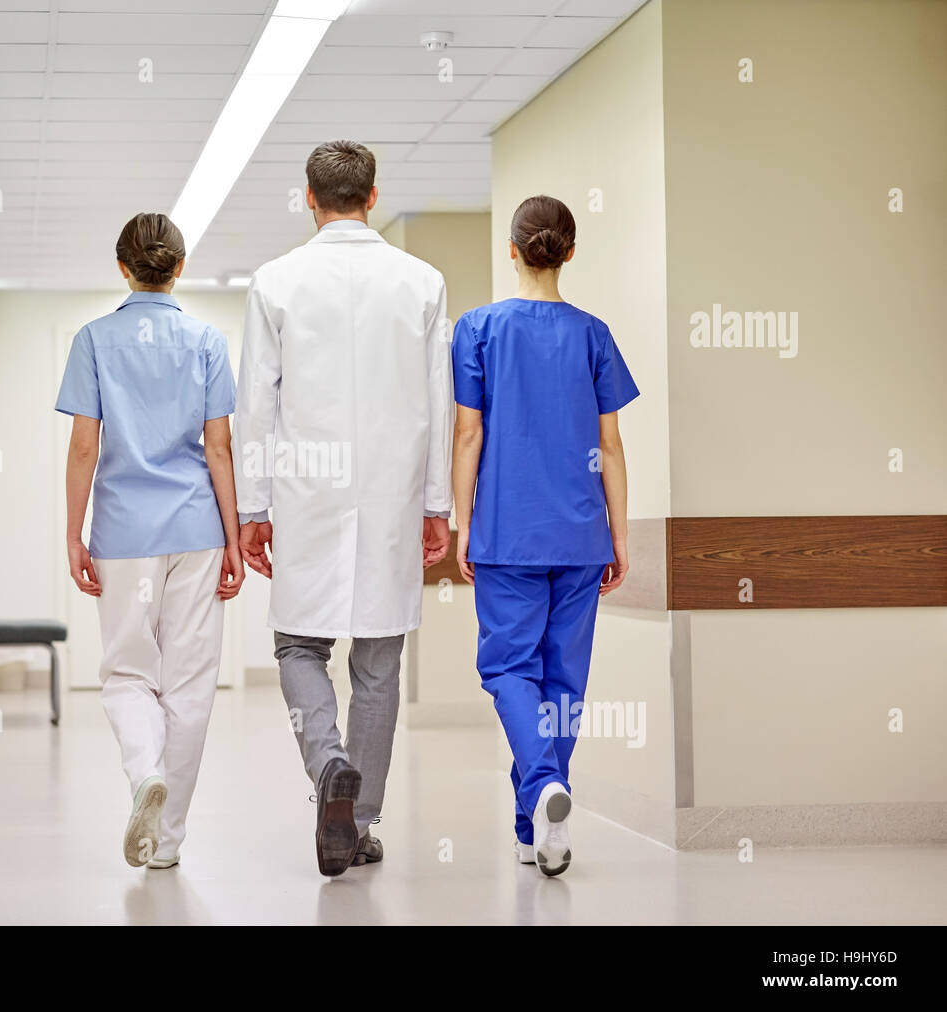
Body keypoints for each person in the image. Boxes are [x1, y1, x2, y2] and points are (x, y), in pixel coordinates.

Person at [233, 140, 454, 877]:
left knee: (299, 645)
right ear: (374, 194)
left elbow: (255, 404)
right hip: (391, 492)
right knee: (379, 662)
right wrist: (436, 503)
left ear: (309, 197)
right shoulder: (422, 280)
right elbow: (438, 403)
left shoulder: (275, 281)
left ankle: (329, 765)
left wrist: (252, 505)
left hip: (305, 490)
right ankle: (357, 823)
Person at [451, 195, 639, 878]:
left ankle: (540, 793)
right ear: (570, 250)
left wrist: (462, 519)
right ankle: (538, 831)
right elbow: (610, 446)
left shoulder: (477, 329)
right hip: (581, 536)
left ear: (512, 249)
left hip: (506, 533)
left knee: (507, 670)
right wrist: (620, 535)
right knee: (562, 682)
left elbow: (469, 431)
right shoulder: (593, 333)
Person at [56, 212, 244, 871]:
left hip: (123, 531)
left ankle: (144, 775)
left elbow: (85, 446)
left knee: (129, 671)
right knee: (190, 683)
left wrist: (73, 533)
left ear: (122, 267)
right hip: (196, 525)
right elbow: (219, 448)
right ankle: (166, 840)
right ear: (180, 268)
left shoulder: (94, 339)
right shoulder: (206, 341)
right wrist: (234, 538)